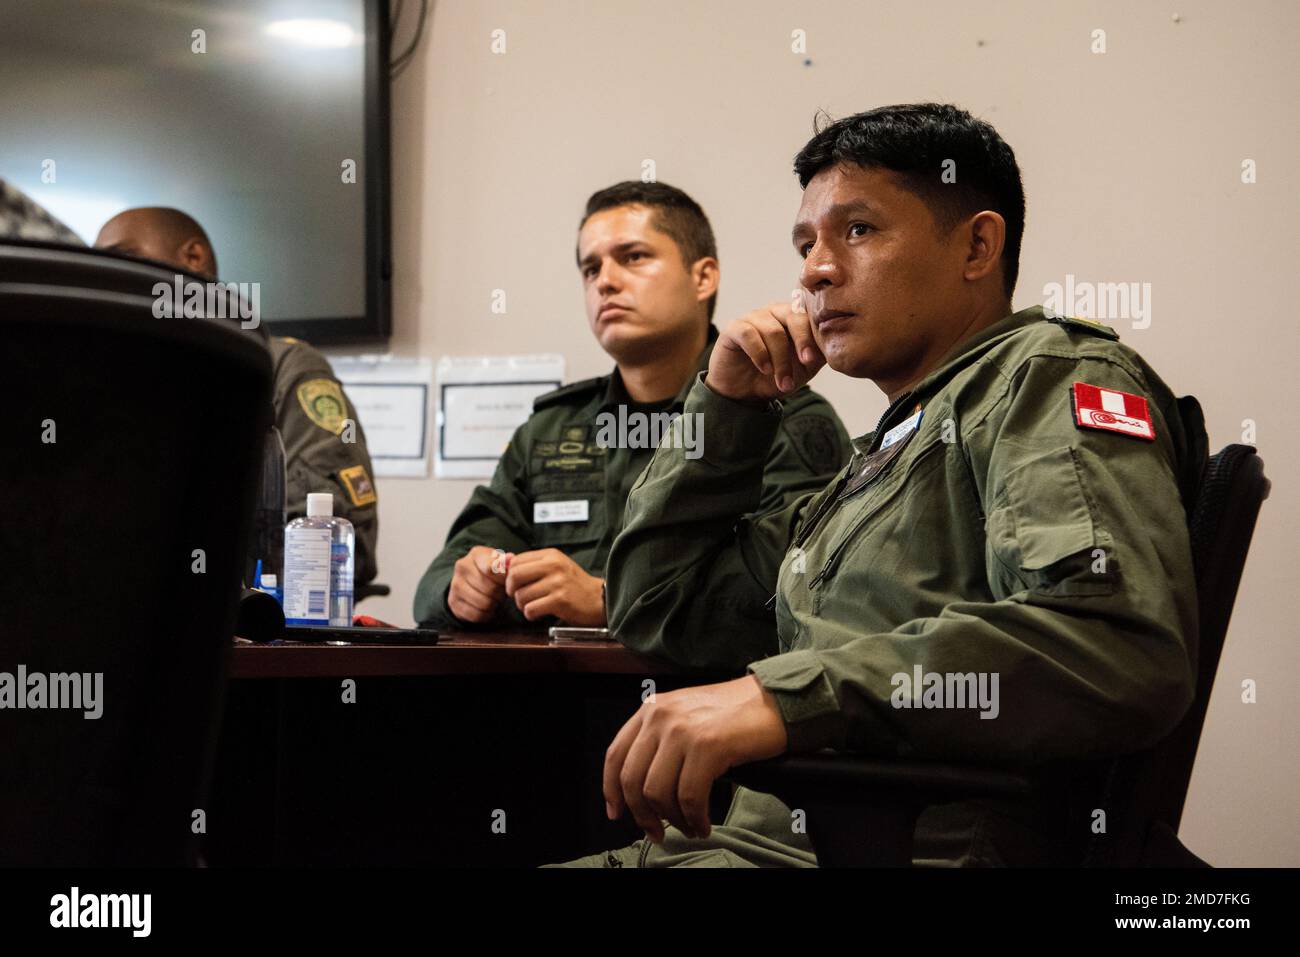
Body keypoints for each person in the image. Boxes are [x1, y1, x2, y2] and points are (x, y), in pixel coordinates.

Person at [559, 104, 1207, 867]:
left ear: (977, 245)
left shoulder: (1044, 376)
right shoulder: (887, 455)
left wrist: (786, 697)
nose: (814, 270)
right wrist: (727, 405)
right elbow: (654, 606)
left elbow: (1114, 641)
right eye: (805, 244)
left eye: (857, 231)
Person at [413, 182, 850, 633]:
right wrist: (461, 587)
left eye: (633, 257)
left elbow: (806, 590)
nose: (605, 280)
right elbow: (437, 580)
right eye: (590, 268)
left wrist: (609, 601)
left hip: (701, 693)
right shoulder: (552, 429)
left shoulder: (778, 416)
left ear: (703, 277)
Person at [94, 207, 381, 585]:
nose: (111, 276)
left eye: (123, 256)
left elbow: (336, 544)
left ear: (193, 259)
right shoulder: (106, 387)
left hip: (245, 630)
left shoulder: (282, 369)